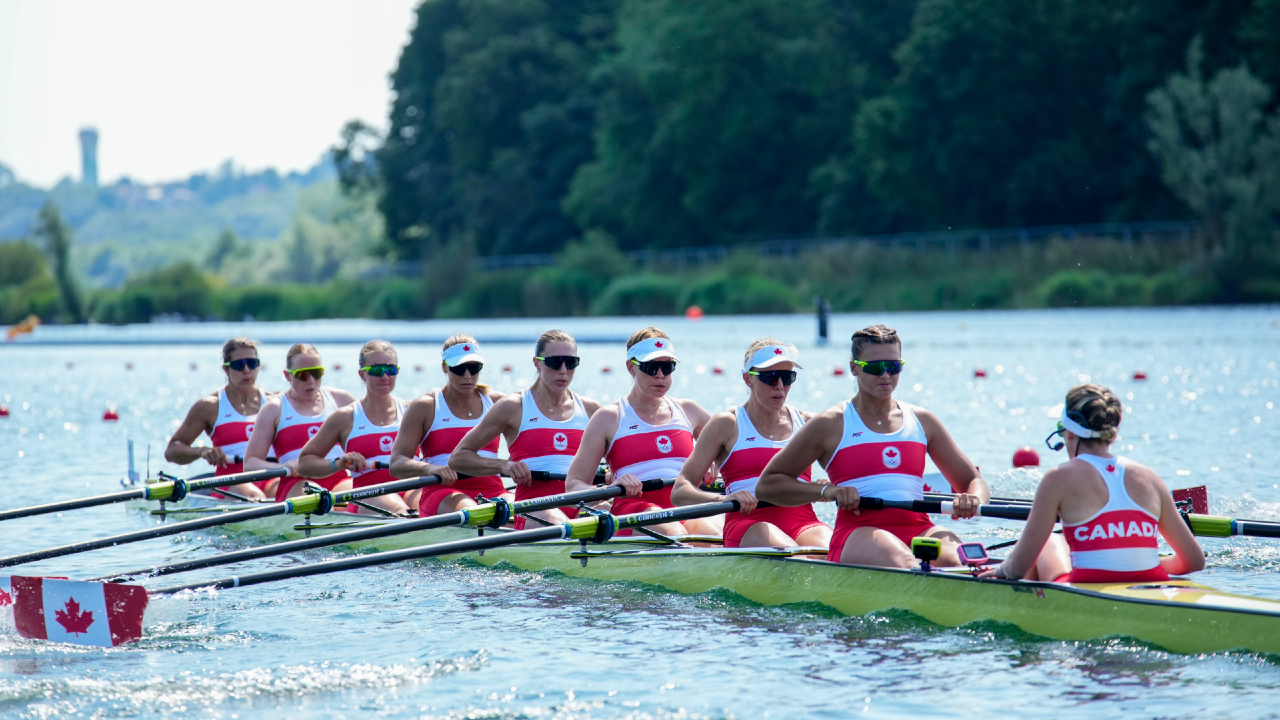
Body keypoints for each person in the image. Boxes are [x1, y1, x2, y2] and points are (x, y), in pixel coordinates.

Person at [757, 324, 988, 568]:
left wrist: (972, 499)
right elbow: (767, 485)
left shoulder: (922, 421)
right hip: (858, 532)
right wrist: (827, 491)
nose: (886, 375)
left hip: (920, 528)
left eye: (893, 366)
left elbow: (974, 481)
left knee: (963, 562)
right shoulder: (831, 424)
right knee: (903, 560)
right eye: (875, 368)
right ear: (854, 368)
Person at [979, 384, 1205, 583]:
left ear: (1068, 433)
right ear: (1113, 435)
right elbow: (1195, 561)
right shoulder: (1150, 478)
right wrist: (1143, 565)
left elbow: (1018, 568)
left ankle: (1029, 607)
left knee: (1050, 541)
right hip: (1153, 583)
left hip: (1084, 588)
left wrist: (1002, 570)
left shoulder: (1057, 478)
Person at [671, 339, 831, 548]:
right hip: (748, 522)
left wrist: (824, 487)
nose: (780, 386)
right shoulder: (727, 424)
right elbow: (680, 491)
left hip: (803, 521)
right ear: (748, 379)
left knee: (831, 550)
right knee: (791, 552)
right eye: (770, 377)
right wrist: (723, 500)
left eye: (787, 377)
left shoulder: (808, 423)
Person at [565, 327, 717, 536]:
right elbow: (573, 486)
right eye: (651, 367)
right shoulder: (608, 418)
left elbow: (737, 456)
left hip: (685, 504)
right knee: (676, 534)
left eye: (667, 367)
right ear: (631, 367)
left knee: (714, 536)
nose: (660, 375)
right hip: (634, 509)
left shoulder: (690, 411)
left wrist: (713, 462)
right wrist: (610, 488)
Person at [450, 330, 602, 528]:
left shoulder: (591, 409)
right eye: (555, 362)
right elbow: (458, 458)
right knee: (561, 524)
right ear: (537, 363)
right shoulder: (514, 406)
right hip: (533, 506)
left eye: (571, 362)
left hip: (581, 502)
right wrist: (503, 465)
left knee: (609, 511)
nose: (563, 370)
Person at [389, 335, 510, 516]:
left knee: (525, 512)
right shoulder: (426, 406)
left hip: (494, 490)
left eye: (474, 368)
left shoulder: (499, 402)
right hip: (442, 490)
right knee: (477, 513)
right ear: (444, 367)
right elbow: (396, 464)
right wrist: (430, 468)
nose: (468, 375)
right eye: (459, 368)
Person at [298, 340, 409, 515]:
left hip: (412, 487)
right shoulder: (345, 417)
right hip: (368, 494)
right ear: (362, 374)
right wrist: (339, 464)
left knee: (431, 508)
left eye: (391, 370)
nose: (385, 376)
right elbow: (304, 463)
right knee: (400, 510)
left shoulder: (411, 411)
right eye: (376, 370)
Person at [244, 343, 357, 502]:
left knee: (360, 496)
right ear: (287, 375)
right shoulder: (274, 409)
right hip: (296, 481)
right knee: (318, 499)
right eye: (303, 375)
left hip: (338, 479)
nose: (311, 380)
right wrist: (282, 467)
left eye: (316, 373)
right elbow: (249, 463)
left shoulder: (342, 400)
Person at [165, 337, 271, 500]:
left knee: (290, 492)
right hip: (231, 480)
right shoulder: (210, 406)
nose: (246, 370)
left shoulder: (273, 403)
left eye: (252, 363)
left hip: (270, 475)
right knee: (253, 496)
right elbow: (172, 451)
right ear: (226, 369)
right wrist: (202, 451)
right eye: (239, 365)